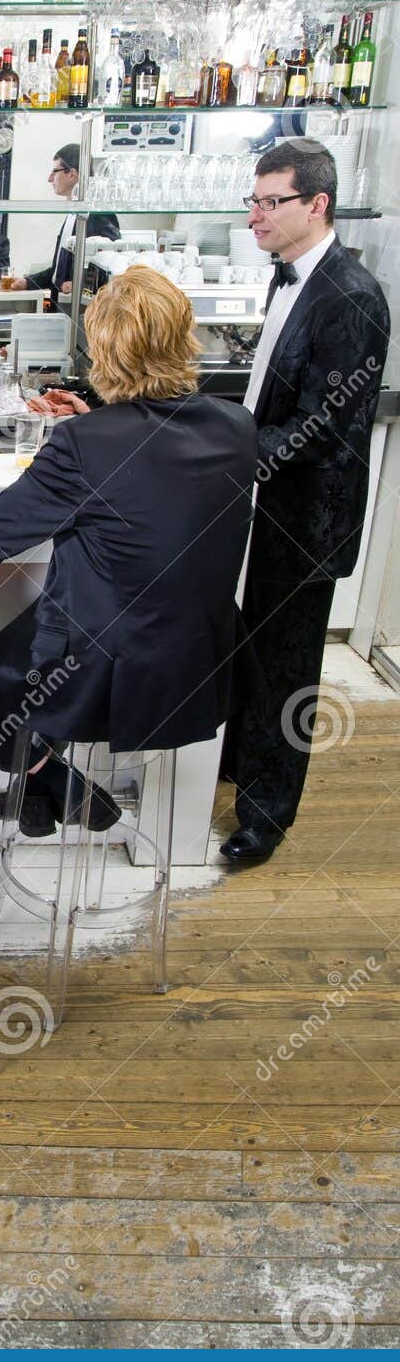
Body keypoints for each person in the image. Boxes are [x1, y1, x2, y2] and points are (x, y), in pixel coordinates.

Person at [0, 265, 257, 836]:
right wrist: (101, 424)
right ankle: (47, 788)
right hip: (199, 665)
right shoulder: (237, 427)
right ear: (184, 336)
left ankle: (50, 778)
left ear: (102, 349)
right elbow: (157, 467)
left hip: (96, 674)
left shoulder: (82, 447)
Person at [220, 141, 390, 868]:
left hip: (305, 519)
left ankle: (266, 814)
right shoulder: (285, 279)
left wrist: (233, 460)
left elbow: (326, 426)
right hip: (266, 503)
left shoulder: (350, 296)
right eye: (252, 199)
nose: (253, 213)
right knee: (250, 648)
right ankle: (237, 765)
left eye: (269, 201)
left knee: (287, 666)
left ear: (314, 205)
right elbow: (271, 395)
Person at [8, 144, 119, 305]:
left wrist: (82, 285)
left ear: (72, 174)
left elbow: (114, 262)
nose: (49, 179)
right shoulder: (72, 213)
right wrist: (27, 282)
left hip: (82, 309)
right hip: (60, 304)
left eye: (55, 172)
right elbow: (58, 272)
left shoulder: (98, 213)